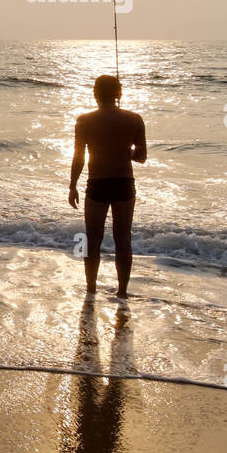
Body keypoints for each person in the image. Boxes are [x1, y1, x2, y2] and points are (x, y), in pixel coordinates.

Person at [69, 75, 147, 298]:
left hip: (97, 184)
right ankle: (122, 292)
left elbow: (78, 158)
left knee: (92, 239)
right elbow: (141, 156)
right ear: (118, 93)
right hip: (124, 184)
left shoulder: (84, 120)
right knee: (123, 239)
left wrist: (72, 185)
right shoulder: (134, 119)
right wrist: (125, 151)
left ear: (95, 93)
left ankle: (91, 289)